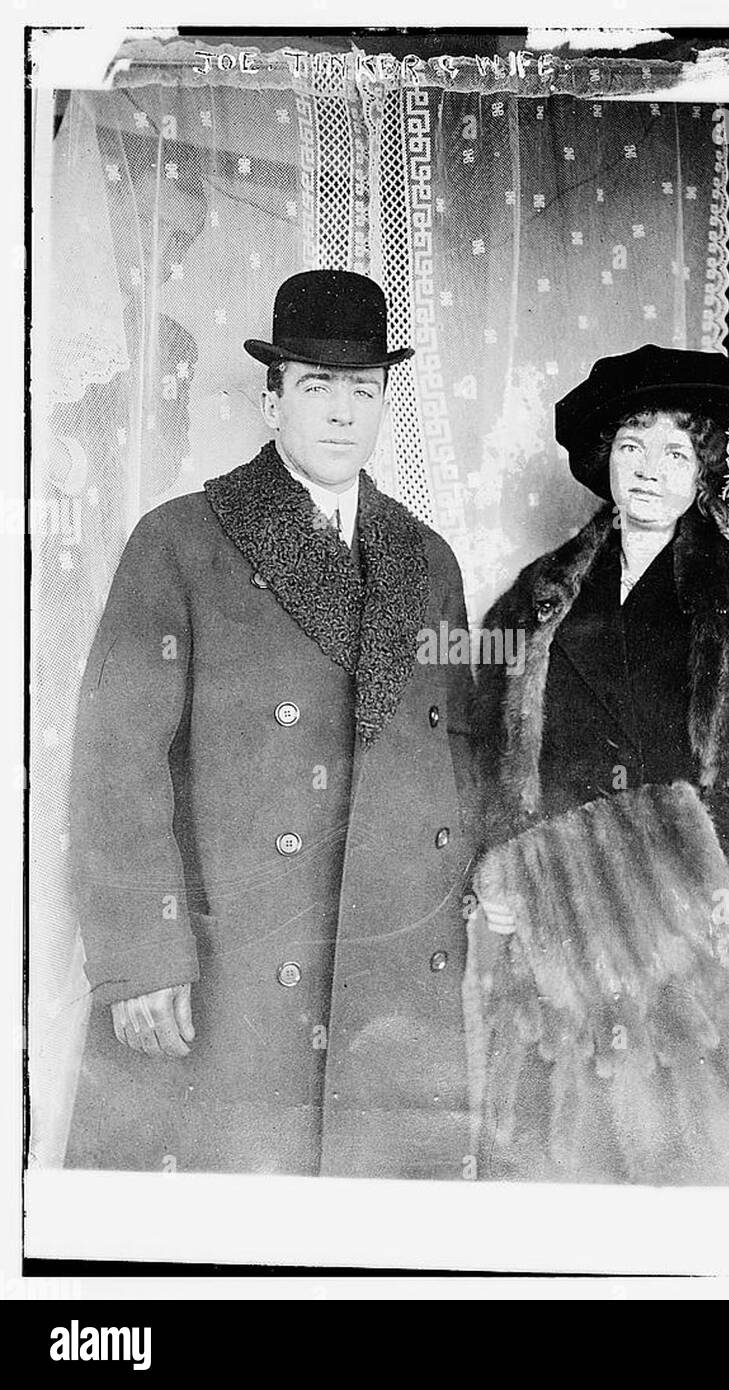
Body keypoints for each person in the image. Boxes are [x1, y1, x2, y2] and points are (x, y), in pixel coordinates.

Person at [64, 270, 477, 1179]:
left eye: (362, 390)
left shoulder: (427, 558)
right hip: (234, 971)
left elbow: (461, 761)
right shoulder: (178, 541)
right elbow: (113, 766)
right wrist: (139, 958)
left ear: (382, 405)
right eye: (315, 386)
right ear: (271, 399)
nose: (340, 412)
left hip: (388, 976)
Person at [467, 345, 729, 1185]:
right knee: (557, 1197)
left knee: (699, 1193)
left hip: (696, 948)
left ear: (704, 468)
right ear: (604, 457)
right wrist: (494, 866)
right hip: (558, 942)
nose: (649, 469)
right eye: (632, 444)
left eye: (677, 450)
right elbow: (482, 754)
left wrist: (697, 832)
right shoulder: (536, 600)